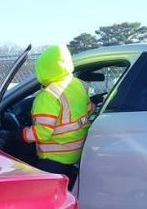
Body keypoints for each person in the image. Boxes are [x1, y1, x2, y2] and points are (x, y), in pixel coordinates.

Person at [22, 44, 94, 188]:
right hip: (76, 152)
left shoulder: (47, 96)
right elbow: (90, 109)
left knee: (46, 195)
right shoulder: (78, 85)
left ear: (43, 68)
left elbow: (43, 132)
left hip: (54, 158)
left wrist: (21, 134)